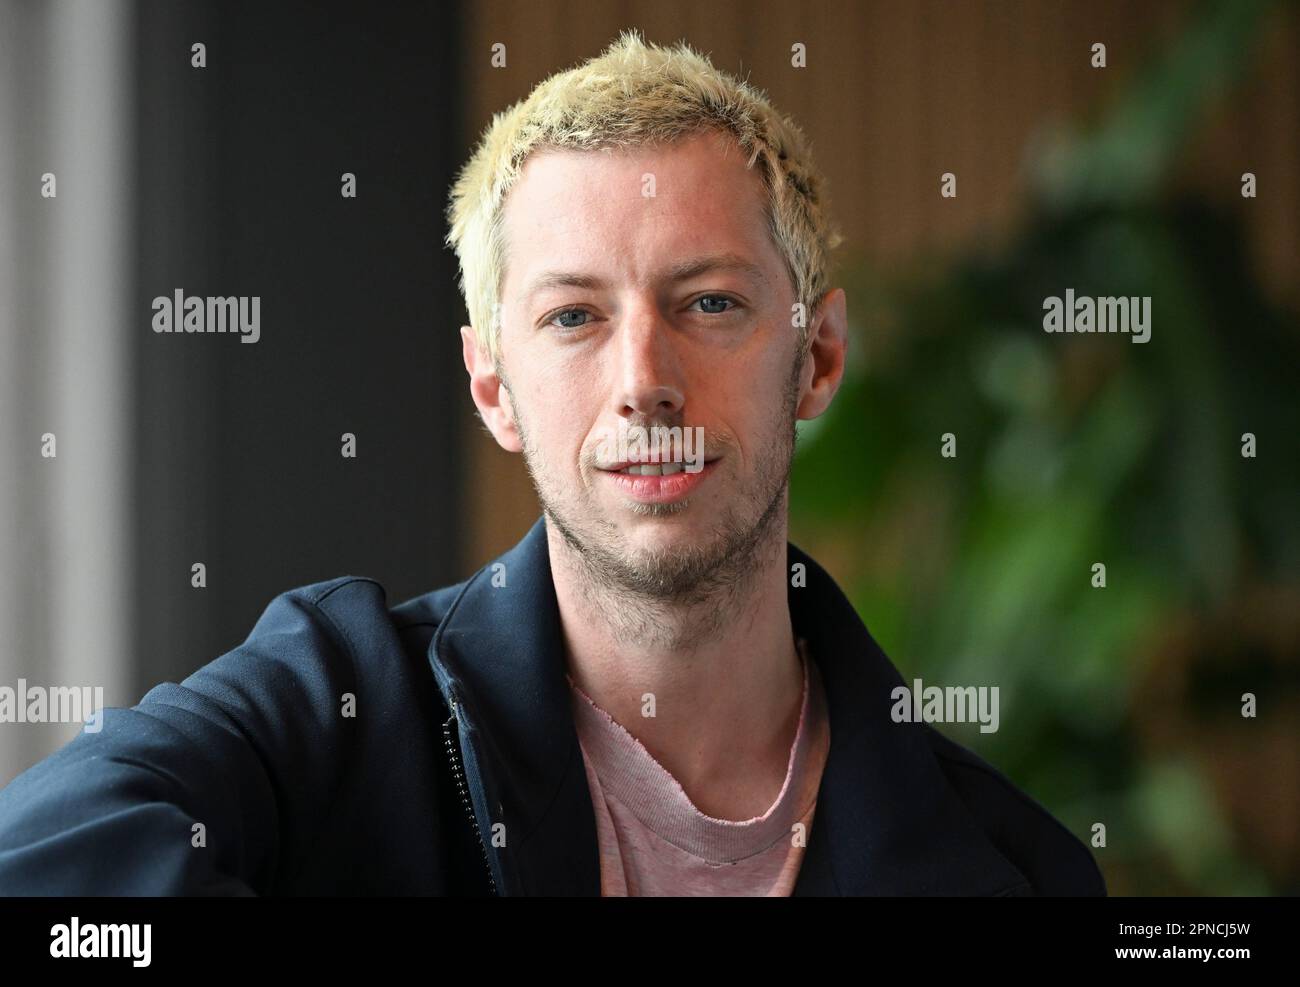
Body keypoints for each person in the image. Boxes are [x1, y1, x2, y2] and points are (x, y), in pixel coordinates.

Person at [0, 29, 1104, 896]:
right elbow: (39, 863)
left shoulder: (1013, 868)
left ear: (817, 357)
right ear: (494, 389)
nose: (643, 378)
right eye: (574, 317)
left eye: (709, 303)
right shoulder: (342, 704)